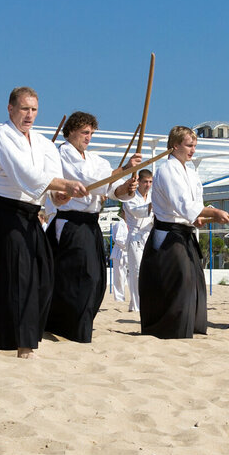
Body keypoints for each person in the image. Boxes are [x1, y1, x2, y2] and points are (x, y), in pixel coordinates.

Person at [0, 86, 87, 359]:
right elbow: (27, 175)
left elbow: (53, 191)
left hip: (31, 216)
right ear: (10, 109)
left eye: (34, 109)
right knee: (18, 279)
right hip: (3, 214)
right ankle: (24, 344)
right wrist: (65, 184)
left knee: (44, 275)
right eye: (24, 109)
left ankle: (24, 333)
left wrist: (61, 195)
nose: (29, 115)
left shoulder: (45, 143)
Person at [45, 111, 139, 343]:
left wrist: (126, 187)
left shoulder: (97, 160)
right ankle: (65, 325)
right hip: (70, 223)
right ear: (71, 132)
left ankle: (78, 323)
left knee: (97, 279)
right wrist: (123, 168)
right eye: (84, 132)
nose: (88, 137)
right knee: (77, 276)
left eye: (91, 133)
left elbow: (111, 189)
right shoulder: (61, 154)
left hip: (91, 225)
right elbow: (86, 180)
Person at [140, 126, 229, 338]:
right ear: (175, 145)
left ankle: (191, 326)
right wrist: (214, 211)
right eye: (189, 145)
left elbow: (194, 205)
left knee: (194, 281)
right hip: (168, 234)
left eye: (195, 146)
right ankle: (169, 327)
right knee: (179, 279)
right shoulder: (166, 170)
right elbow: (182, 204)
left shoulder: (191, 172)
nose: (192, 150)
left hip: (185, 232)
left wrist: (199, 217)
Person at [123, 169, 154, 312]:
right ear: (139, 182)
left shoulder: (151, 197)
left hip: (149, 237)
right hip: (135, 237)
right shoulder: (130, 197)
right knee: (136, 272)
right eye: (145, 182)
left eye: (150, 182)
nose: (148, 185)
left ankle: (145, 302)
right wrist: (154, 205)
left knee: (148, 272)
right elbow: (136, 211)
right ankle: (136, 305)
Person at [110, 213, 129, 302]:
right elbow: (118, 239)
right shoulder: (119, 224)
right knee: (119, 276)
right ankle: (119, 298)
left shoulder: (132, 224)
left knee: (131, 275)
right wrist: (128, 244)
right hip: (119, 252)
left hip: (129, 252)